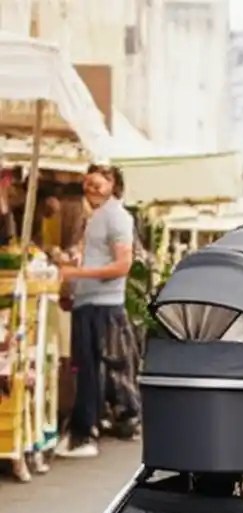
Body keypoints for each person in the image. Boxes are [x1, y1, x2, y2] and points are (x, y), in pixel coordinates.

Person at [53, 164, 141, 459]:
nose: (90, 188)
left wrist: (76, 274)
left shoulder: (116, 216)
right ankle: (90, 426)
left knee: (92, 369)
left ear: (112, 182)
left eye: (97, 183)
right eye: (87, 183)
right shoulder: (98, 217)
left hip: (103, 304)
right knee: (88, 368)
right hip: (88, 302)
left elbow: (122, 265)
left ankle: (85, 433)